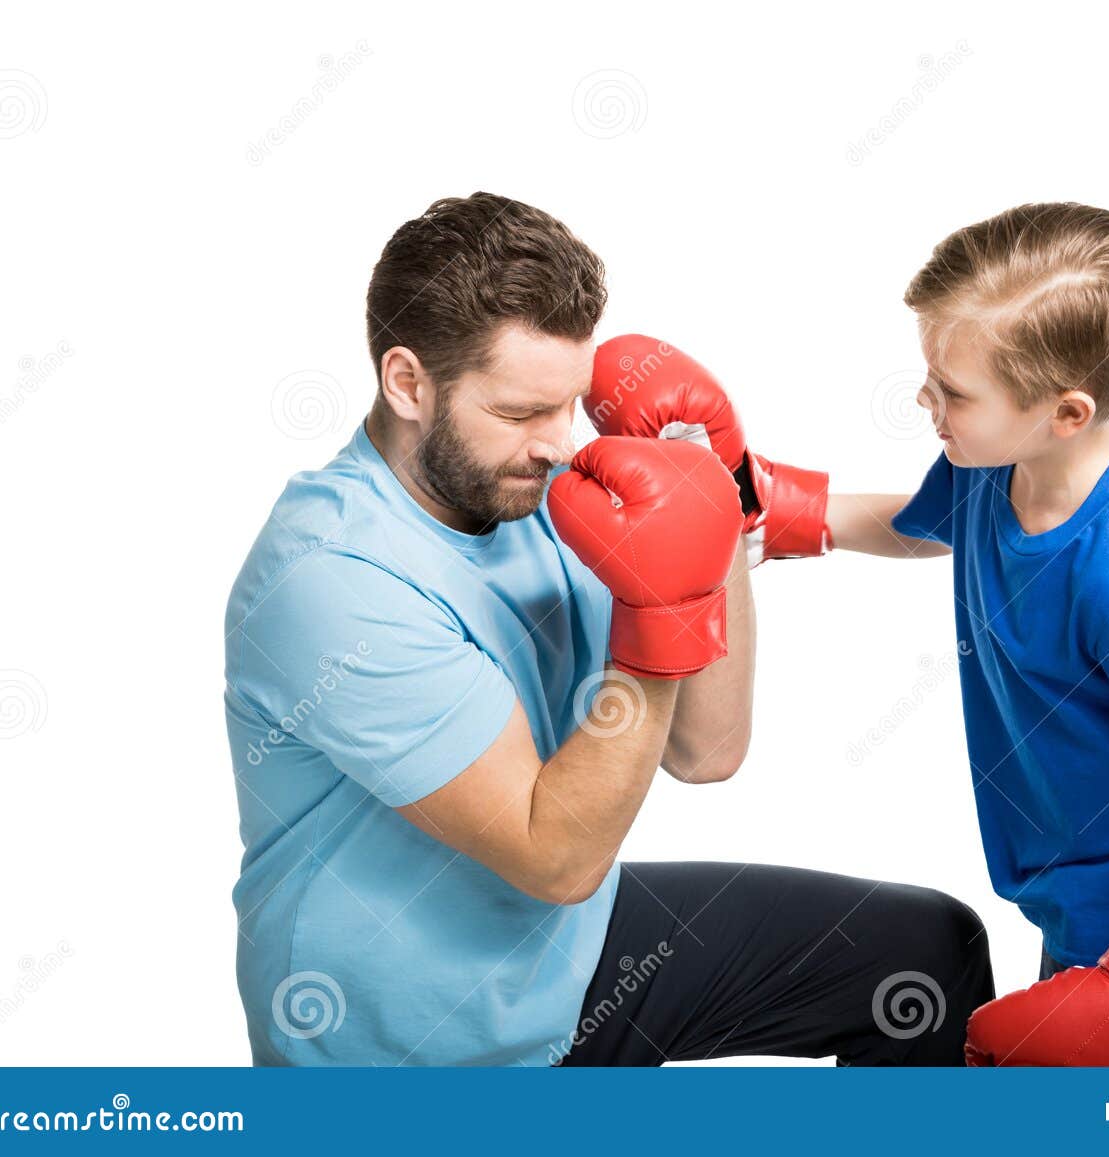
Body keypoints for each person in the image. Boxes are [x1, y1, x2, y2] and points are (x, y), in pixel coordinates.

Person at [222, 192, 992, 1067]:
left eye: (573, 404)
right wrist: (659, 613)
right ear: (407, 383)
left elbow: (710, 749)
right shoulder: (334, 577)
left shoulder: (543, 482)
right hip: (418, 1050)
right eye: (520, 413)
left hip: (562, 958)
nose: (558, 443)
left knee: (929, 953)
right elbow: (556, 857)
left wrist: (716, 495)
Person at [823, 203, 1109, 1066]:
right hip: (1072, 890)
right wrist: (782, 507)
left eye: (951, 393)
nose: (927, 403)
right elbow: (924, 526)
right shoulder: (999, 462)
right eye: (930, 377)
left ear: (1066, 411)